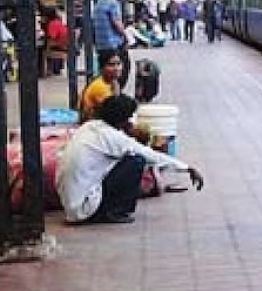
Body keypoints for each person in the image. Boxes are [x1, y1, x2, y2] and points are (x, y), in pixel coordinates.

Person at [56, 94, 204, 224]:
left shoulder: (89, 127)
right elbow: (150, 155)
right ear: (122, 120)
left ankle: (107, 209)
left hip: (72, 203)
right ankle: (114, 212)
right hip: (84, 207)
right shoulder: (113, 137)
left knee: (125, 159)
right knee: (136, 161)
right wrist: (187, 168)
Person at [91, 0, 129, 90]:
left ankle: (105, 90)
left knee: (105, 69)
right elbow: (116, 22)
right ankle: (116, 91)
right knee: (121, 68)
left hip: (101, 43)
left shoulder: (98, 3)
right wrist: (125, 36)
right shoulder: (112, 3)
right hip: (113, 43)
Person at [79, 51, 122, 120]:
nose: (116, 68)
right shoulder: (100, 86)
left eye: (118, 64)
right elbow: (114, 112)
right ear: (102, 68)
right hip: (92, 123)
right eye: (111, 65)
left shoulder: (112, 81)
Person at [45, 6, 69, 76]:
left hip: (59, 45)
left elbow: (52, 36)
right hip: (64, 43)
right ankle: (56, 68)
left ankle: (48, 70)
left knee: (43, 49)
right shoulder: (59, 21)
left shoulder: (52, 23)